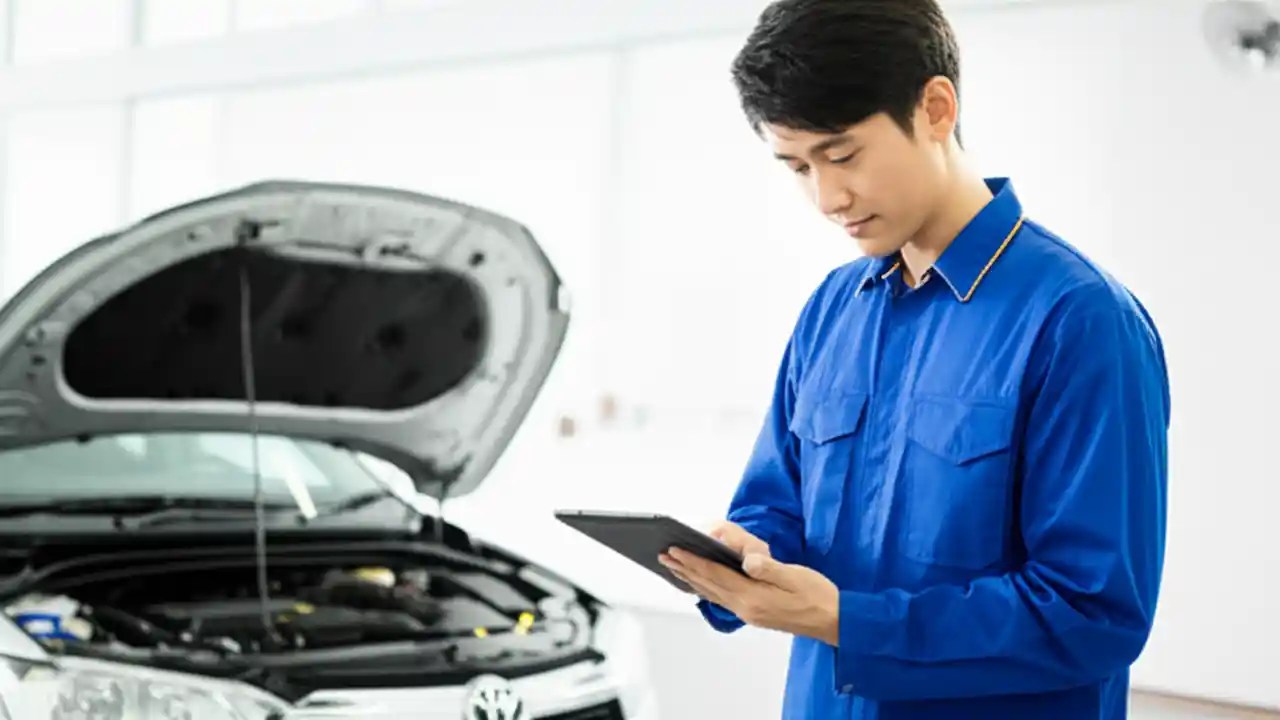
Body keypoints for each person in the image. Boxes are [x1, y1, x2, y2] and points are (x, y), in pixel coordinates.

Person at [655, 1, 1171, 718]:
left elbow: (1093, 612)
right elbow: (775, 503)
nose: (827, 197)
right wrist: (743, 557)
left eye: (841, 155)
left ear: (935, 108)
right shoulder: (830, 310)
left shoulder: (1081, 321)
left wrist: (848, 620)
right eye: (797, 166)